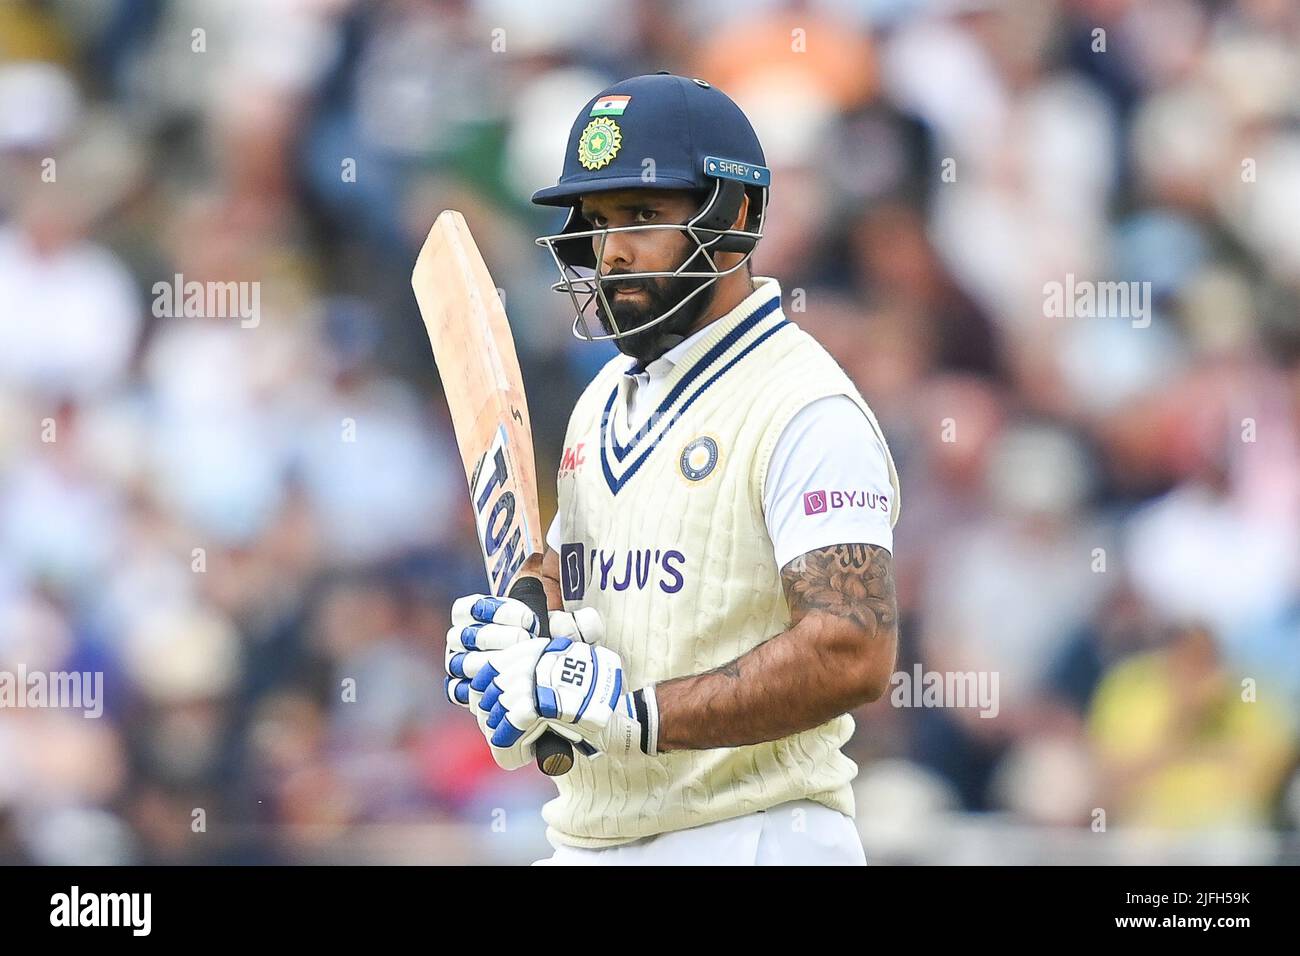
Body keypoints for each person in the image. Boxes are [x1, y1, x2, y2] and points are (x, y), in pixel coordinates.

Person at [443, 72, 901, 865]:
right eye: (599, 222)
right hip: (591, 838)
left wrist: (633, 711)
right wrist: (524, 641)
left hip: (753, 834)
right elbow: (588, 581)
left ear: (736, 214)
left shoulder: (803, 405)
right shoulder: (601, 406)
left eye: (644, 216)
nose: (612, 252)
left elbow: (851, 648)